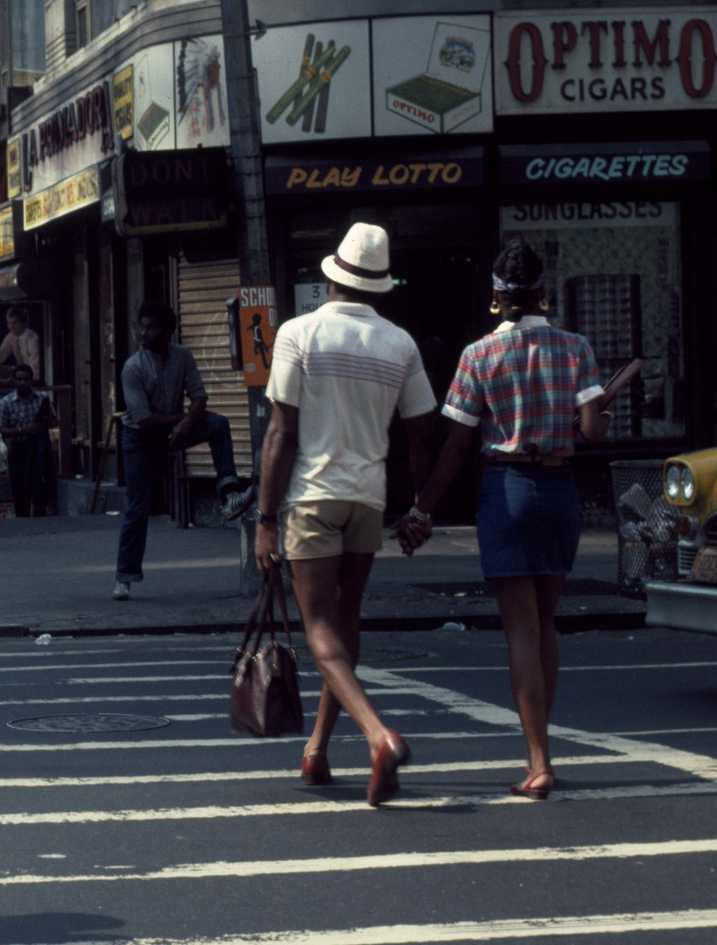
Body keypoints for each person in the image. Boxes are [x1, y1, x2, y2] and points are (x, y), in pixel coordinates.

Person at [396, 241, 612, 801]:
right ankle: (545, 753)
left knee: (520, 630)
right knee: (546, 625)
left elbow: (455, 444)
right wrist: (596, 411)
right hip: (560, 489)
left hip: (507, 490)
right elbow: (592, 430)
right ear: (543, 291)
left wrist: (423, 508)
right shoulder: (575, 348)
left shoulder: (478, 355)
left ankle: (536, 759)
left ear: (497, 298)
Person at [255, 221, 437, 807]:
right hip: (368, 496)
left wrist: (263, 518)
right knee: (346, 626)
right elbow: (422, 433)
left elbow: (281, 433)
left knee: (319, 632)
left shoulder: (298, 332)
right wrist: (419, 506)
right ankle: (316, 751)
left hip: (311, 495)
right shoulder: (400, 343)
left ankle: (377, 734)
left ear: (331, 277)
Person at [116, 302, 254, 600]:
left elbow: (200, 397)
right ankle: (124, 577)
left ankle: (229, 494)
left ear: (167, 331)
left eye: (152, 327)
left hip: (174, 428)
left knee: (218, 424)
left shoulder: (182, 356)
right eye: (142, 327)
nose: (144, 333)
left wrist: (187, 423)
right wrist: (183, 420)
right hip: (140, 438)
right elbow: (144, 419)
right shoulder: (133, 367)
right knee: (138, 507)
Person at [0, 363, 57, 518]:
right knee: (20, 493)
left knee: (41, 491)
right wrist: (23, 430)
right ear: (14, 381)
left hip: (39, 451)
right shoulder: (6, 402)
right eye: (19, 379)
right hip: (18, 450)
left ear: (31, 380)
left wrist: (46, 422)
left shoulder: (42, 398)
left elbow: (54, 420)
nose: (23, 383)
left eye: (26, 379)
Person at [0, 304, 41, 383]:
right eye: (9, 323)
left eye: (15, 323)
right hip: (17, 372)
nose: (11, 327)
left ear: (24, 323)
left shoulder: (33, 339)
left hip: (29, 376)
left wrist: (19, 380)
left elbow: (36, 370)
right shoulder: (11, 336)